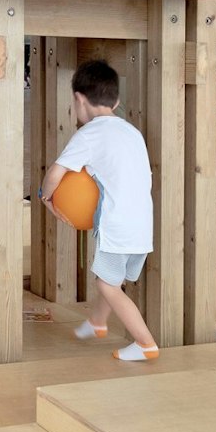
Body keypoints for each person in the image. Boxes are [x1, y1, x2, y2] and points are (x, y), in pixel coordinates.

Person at [41, 60, 158, 362]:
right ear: (116, 101)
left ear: (79, 99)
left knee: (106, 284)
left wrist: (46, 197)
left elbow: (57, 171)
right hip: (143, 226)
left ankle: (145, 343)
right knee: (113, 280)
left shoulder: (89, 134)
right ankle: (97, 323)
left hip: (116, 226)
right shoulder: (132, 132)